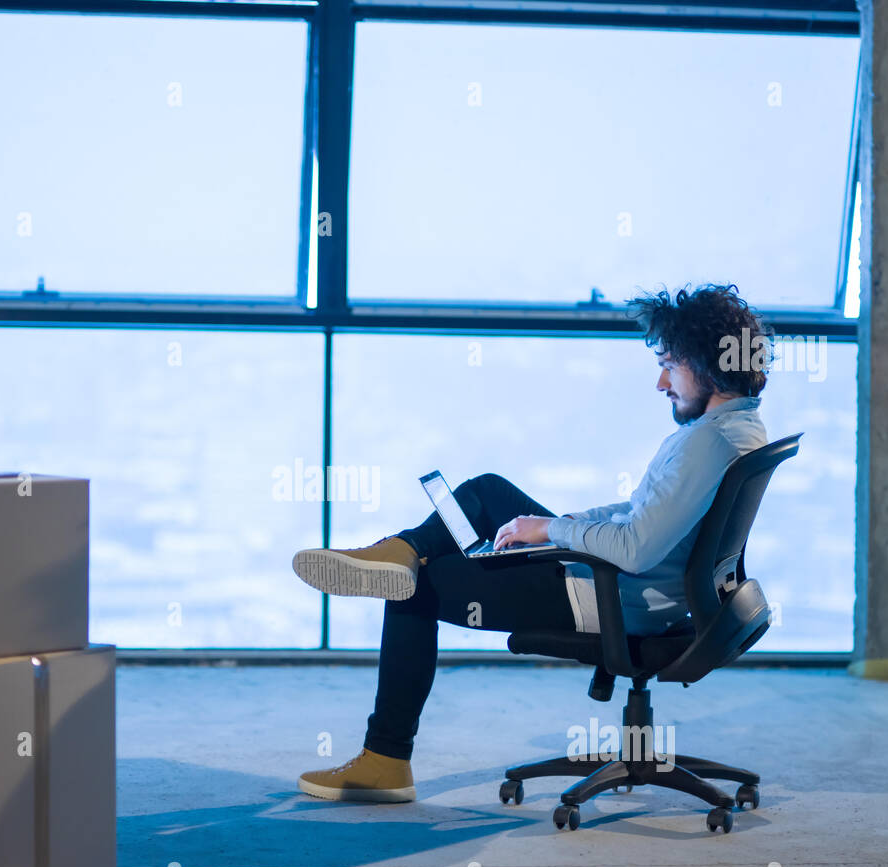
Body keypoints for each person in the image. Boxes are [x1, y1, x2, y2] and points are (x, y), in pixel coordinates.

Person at [290, 283, 771, 802]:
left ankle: (385, 760)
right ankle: (401, 550)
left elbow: (635, 548)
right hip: (636, 590)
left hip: (612, 597)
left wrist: (552, 533)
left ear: (706, 362)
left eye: (670, 364)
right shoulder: (738, 427)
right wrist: (555, 523)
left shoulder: (706, 442)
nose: (661, 382)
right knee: (490, 492)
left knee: (414, 589)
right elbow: (641, 513)